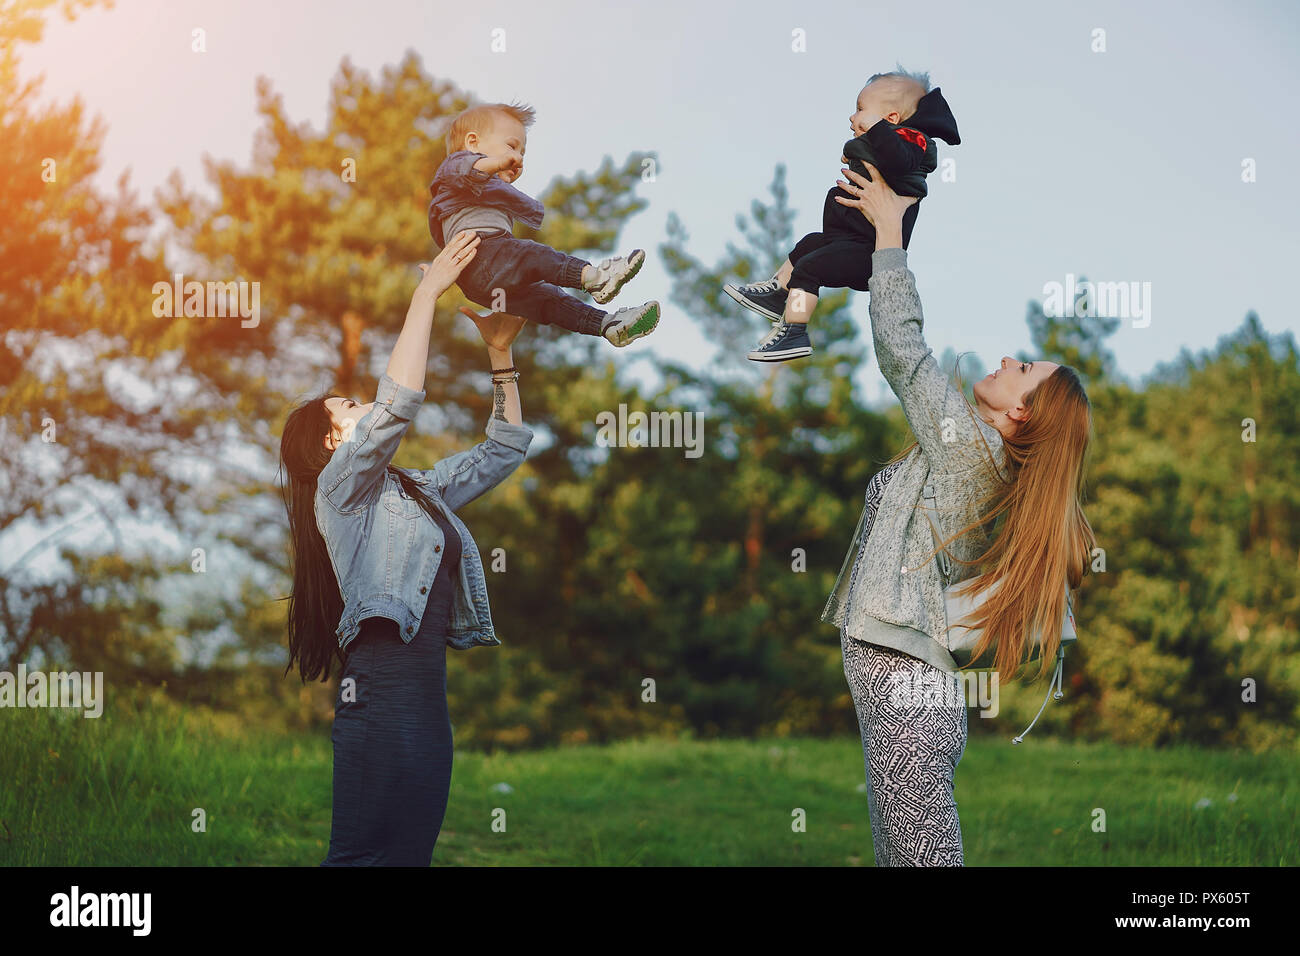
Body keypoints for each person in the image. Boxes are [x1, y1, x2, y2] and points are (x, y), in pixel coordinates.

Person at [822, 164, 1097, 866]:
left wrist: (889, 234)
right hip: (906, 692)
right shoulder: (974, 456)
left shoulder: (972, 455)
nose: (1008, 357)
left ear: (1020, 413)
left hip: (910, 699)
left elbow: (904, 353)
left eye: (1024, 368)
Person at [277, 230, 535, 866]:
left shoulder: (416, 491)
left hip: (427, 708)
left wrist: (500, 358)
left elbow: (502, 450)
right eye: (349, 405)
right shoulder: (338, 492)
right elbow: (397, 406)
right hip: (380, 695)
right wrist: (427, 293)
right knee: (361, 860)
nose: (364, 401)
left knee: (407, 859)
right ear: (332, 442)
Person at [723, 69, 959, 362]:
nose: (852, 116)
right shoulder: (885, 141)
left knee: (810, 268)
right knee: (809, 244)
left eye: (861, 108)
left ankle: (795, 329)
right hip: (845, 239)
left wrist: (874, 130)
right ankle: (778, 294)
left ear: (891, 119)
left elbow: (900, 160)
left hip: (868, 253)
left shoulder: (912, 141)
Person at [429, 101, 661, 348]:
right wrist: (497, 163)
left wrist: (501, 163)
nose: (518, 157)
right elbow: (468, 169)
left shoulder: (488, 191)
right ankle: (595, 277)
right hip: (482, 256)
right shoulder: (455, 167)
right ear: (472, 143)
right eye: (511, 146)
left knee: (547, 300)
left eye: (522, 153)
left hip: (478, 284)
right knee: (530, 254)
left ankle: (608, 325)